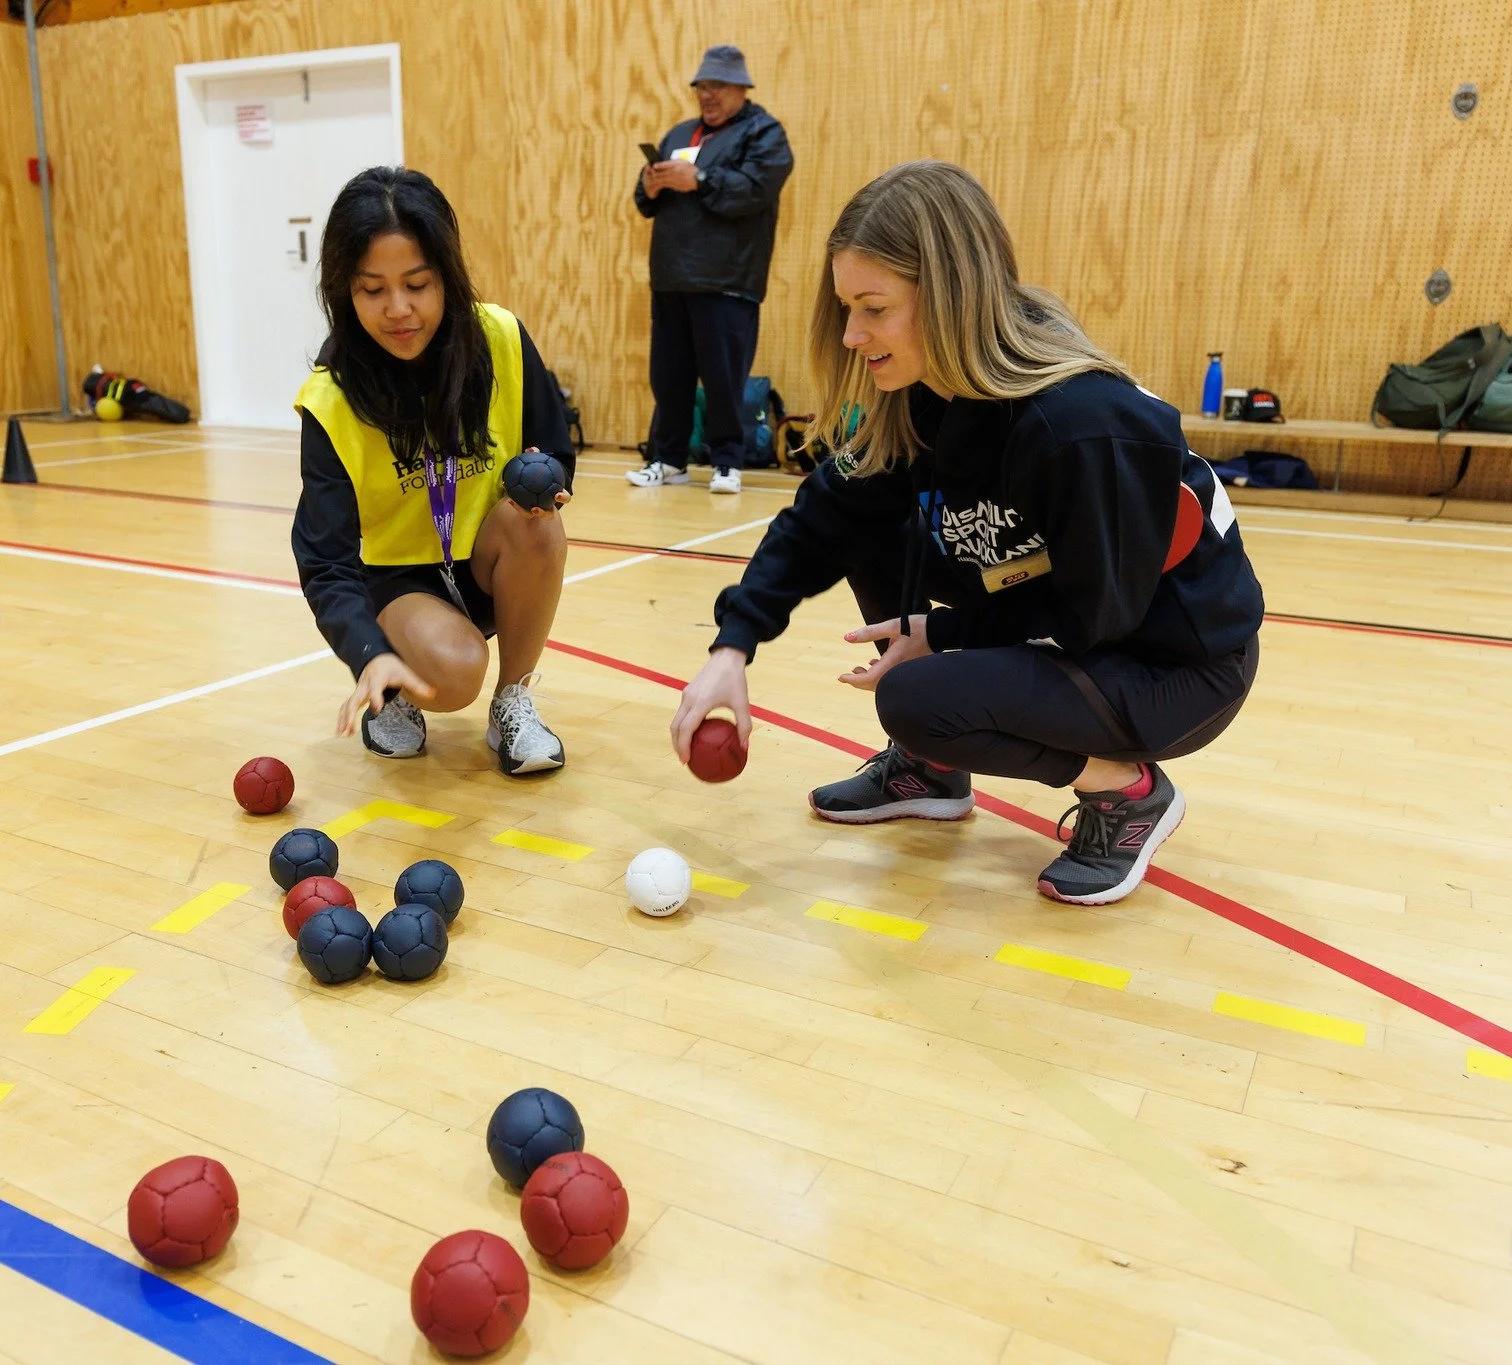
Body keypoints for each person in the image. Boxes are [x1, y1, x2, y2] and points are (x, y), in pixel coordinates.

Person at [671, 162, 1265, 905]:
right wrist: (733, 645)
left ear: (952, 297)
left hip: (1173, 660)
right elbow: (820, 518)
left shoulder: (1079, 425)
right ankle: (931, 767)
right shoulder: (924, 397)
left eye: (874, 308)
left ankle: (1127, 792)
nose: (852, 334)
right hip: (1073, 615)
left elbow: (1094, 619)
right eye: (846, 306)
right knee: (865, 523)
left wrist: (944, 637)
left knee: (917, 697)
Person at [292, 167, 574, 776]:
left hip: (483, 556)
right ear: (345, 292)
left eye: (417, 283)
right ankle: (395, 692)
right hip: (400, 583)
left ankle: (514, 703)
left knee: (539, 524)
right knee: (456, 672)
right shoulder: (331, 398)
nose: (399, 309)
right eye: (373, 290)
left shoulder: (499, 338)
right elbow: (325, 561)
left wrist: (548, 482)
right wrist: (367, 654)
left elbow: (553, 448)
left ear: (447, 274)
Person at [628, 45, 793, 496]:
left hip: (728, 280)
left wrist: (698, 179)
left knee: (724, 379)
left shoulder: (765, 134)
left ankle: (726, 462)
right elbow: (646, 204)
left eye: (717, 85)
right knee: (668, 377)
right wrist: (650, 185)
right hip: (671, 277)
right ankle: (667, 458)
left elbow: (754, 191)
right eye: (701, 86)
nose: (707, 94)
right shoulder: (680, 132)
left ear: (742, 87)